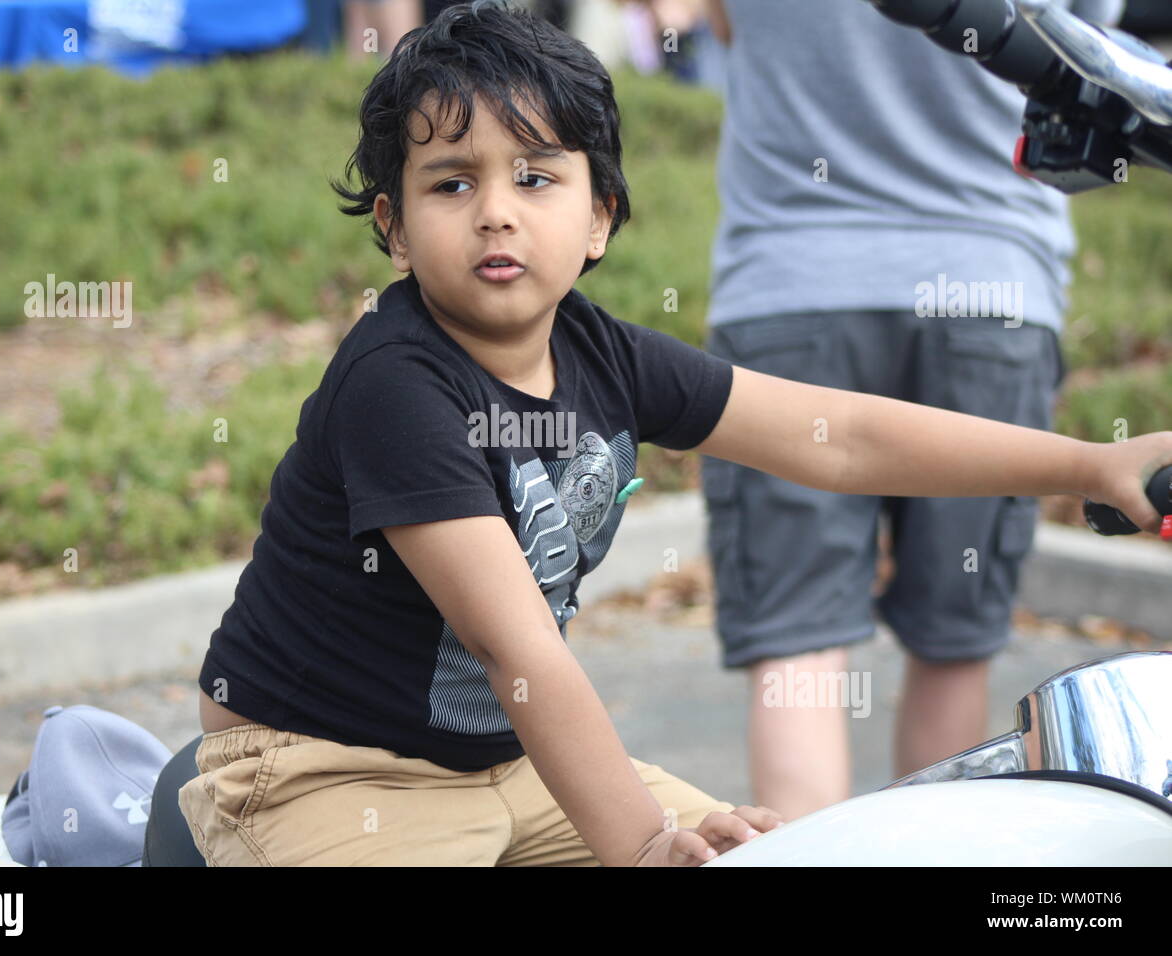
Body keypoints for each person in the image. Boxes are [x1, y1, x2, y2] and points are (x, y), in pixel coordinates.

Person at [177, 0, 1169, 866]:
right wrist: (643, 841)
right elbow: (513, 647)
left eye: (534, 177)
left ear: (599, 216)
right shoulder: (395, 384)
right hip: (324, 770)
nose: (494, 215)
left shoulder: (601, 352)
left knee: (775, 859)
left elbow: (840, 436)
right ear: (392, 227)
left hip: (504, 765)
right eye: (450, 183)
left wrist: (1088, 463)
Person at [699, 0, 1127, 821]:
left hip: (795, 281)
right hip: (990, 278)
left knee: (796, 647)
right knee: (953, 644)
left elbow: (722, 23)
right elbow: (1088, 57)